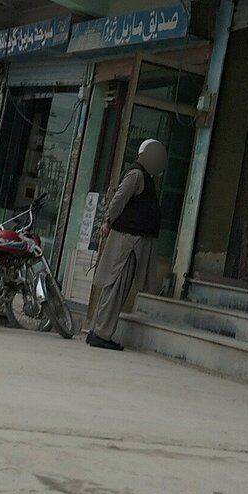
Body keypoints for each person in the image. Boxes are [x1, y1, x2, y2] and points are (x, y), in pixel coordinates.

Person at [86, 139, 167, 351]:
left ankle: (99, 330)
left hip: (131, 241)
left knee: (116, 288)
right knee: (116, 286)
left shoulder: (144, 176)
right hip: (127, 242)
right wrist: (108, 220)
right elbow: (118, 200)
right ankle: (101, 333)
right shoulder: (136, 175)